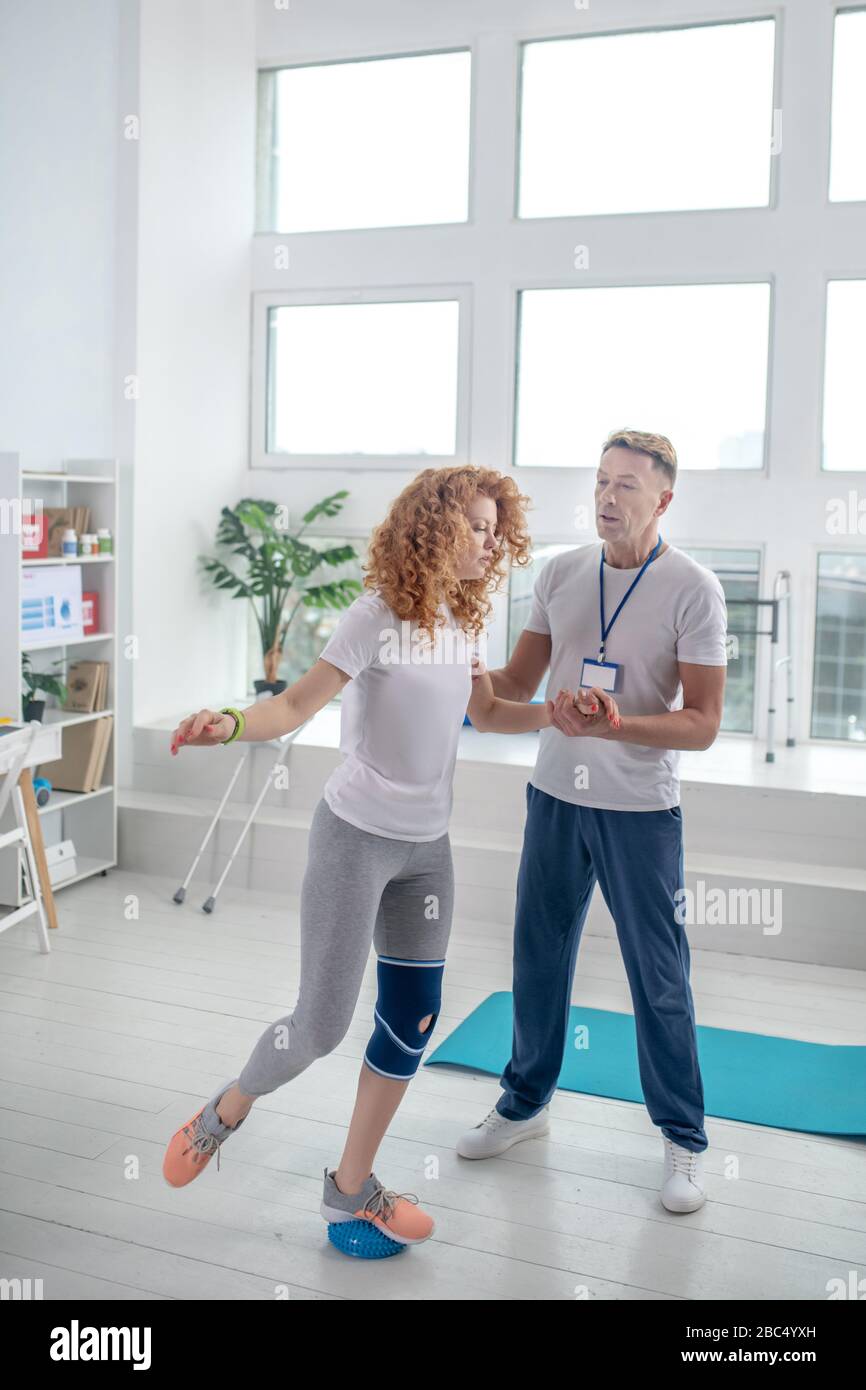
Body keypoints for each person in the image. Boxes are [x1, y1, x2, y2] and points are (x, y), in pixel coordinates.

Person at [161, 464, 618, 1248]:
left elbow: (486, 711)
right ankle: (226, 1109)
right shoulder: (375, 615)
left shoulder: (464, 618)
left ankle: (350, 1188)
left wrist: (556, 714)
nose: (491, 543)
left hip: (426, 852)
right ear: (434, 528)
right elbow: (294, 704)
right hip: (355, 838)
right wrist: (229, 724)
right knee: (319, 1025)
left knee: (412, 1019)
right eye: (478, 527)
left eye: (496, 530)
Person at [458, 429, 728, 1215]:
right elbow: (514, 684)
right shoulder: (561, 572)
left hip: (640, 810)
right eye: (602, 481)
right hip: (554, 797)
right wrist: (457, 664)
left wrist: (617, 726)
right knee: (537, 957)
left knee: (659, 976)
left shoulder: (693, 589)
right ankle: (524, 1105)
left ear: (663, 499)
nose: (607, 497)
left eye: (627, 486)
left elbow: (704, 722)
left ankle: (683, 1136)